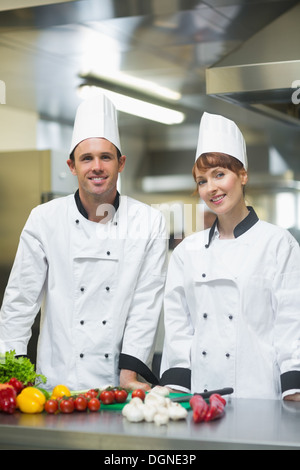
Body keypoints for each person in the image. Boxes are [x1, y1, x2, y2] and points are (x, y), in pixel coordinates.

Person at [0, 94, 167, 392]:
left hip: (119, 382)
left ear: (121, 163)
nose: (97, 166)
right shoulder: (44, 219)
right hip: (57, 383)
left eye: (106, 157)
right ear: (72, 165)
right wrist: (13, 377)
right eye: (86, 158)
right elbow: (20, 302)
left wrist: (130, 375)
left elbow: (145, 305)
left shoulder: (149, 222)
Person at [160, 112, 300, 400]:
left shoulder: (278, 244)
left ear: (243, 175)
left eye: (219, 175)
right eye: (202, 181)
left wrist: (294, 390)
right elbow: (178, 327)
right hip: (200, 396)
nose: (211, 188)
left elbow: (292, 322)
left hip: (259, 393)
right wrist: (176, 389)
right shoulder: (187, 251)